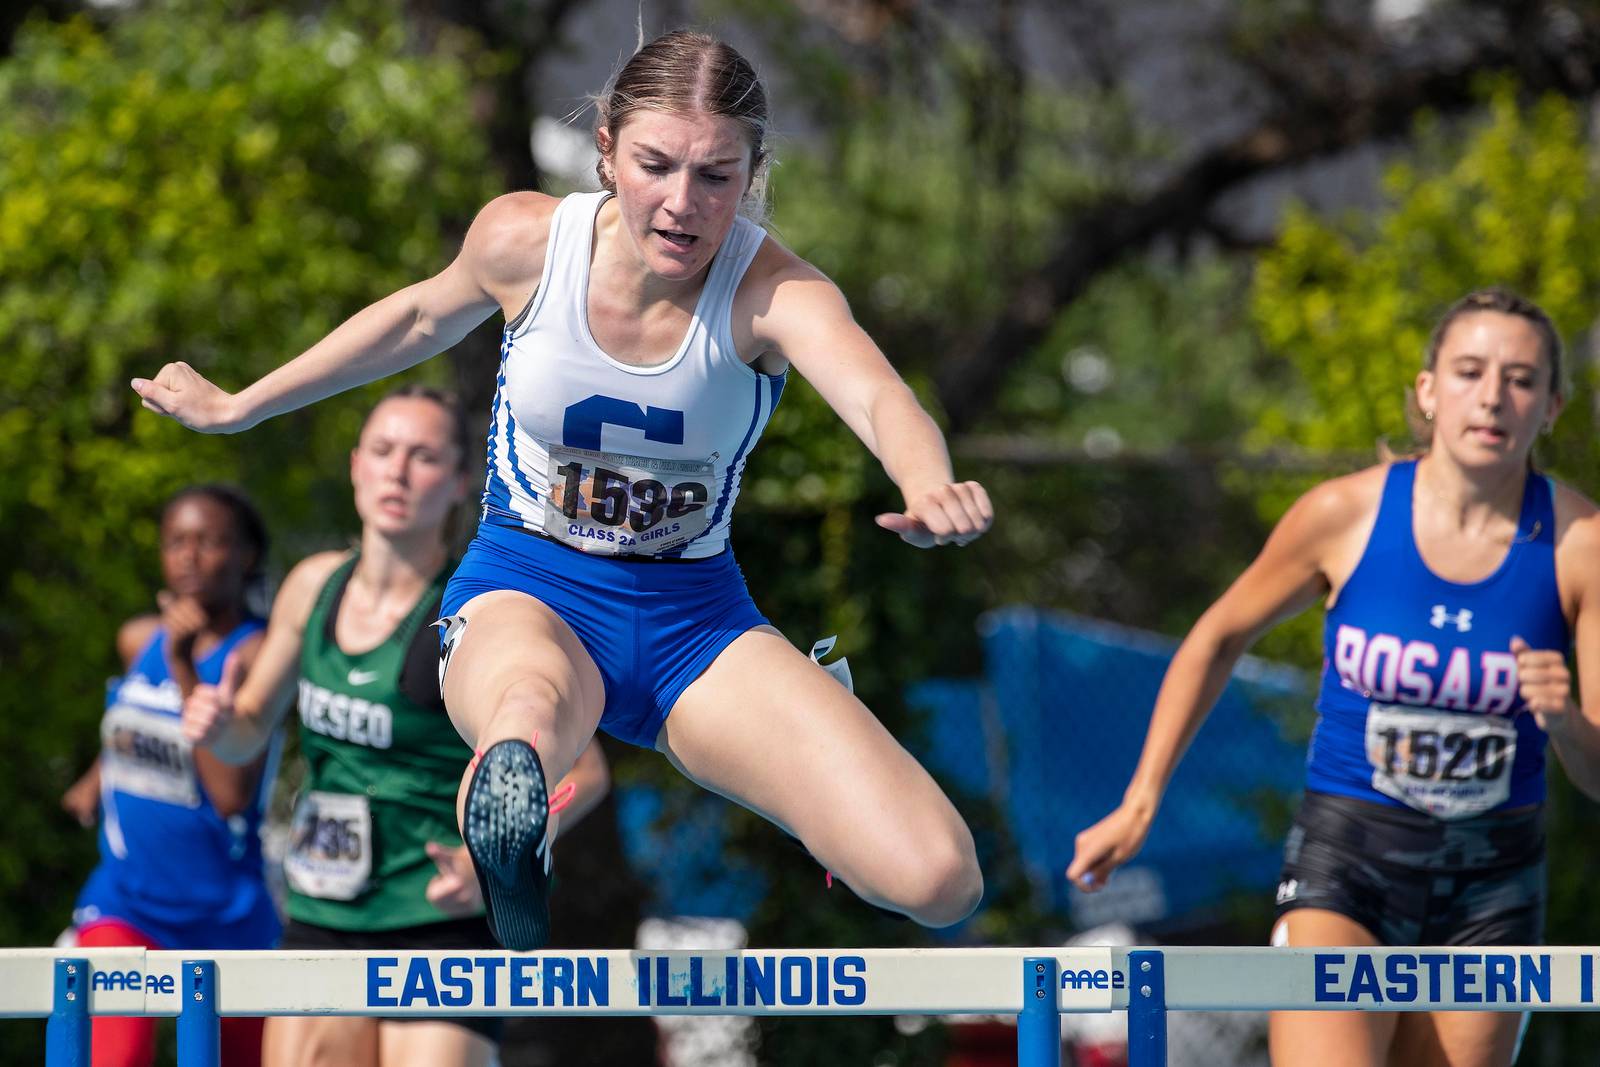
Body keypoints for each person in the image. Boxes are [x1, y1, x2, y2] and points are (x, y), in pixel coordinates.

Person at [132, 28, 988, 951]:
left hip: (695, 622)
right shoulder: (527, 242)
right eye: (656, 166)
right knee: (526, 716)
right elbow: (415, 316)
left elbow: (878, 394)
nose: (683, 204)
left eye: (716, 175)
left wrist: (928, 479)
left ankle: (819, 819)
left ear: (753, 173)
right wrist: (242, 404)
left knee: (939, 880)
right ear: (607, 149)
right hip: (526, 586)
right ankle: (515, 818)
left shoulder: (775, 292)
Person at [1067, 287, 1600, 1067]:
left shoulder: (1580, 544)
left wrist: (1565, 721)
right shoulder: (1343, 515)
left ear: (1551, 405)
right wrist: (1141, 798)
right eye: (1470, 371)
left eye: (1520, 379)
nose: (1493, 396)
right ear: (1428, 390)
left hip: (1491, 887)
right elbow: (1217, 636)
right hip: (1347, 868)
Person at [180, 386, 609, 1067]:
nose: (398, 472)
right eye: (383, 451)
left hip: (440, 914)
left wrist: (495, 854)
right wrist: (217, 722)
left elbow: (586, 770)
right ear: (356, 465)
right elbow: (246, 733)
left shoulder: (480, 609)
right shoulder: (313, 585)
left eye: (423, 456)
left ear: (462, 481)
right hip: (325, 910)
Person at [64, 485, 278, 1067]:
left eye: (209, 542)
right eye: (176, 542)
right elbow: (136, 721)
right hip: (125, 902)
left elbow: (230, 795)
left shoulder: (255, 654)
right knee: (115, 1058)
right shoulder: (139, 640)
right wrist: (96, 777)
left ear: (246, 555)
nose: (189, 556)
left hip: (227, 914)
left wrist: (185, 665)